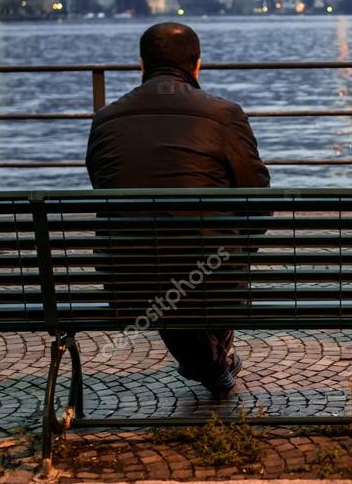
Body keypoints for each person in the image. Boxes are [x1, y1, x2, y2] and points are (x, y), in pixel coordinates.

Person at [86, 22, 270, 397]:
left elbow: (103, 190)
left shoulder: (105, 121)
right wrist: (241, 247)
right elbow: (258, 198)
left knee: (159, 263)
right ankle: (210, 363)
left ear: (141, 65)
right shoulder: (225, 115)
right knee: (205, 259)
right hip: (212, 275)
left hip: (129, 282)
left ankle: (209, 363)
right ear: (196, 66)